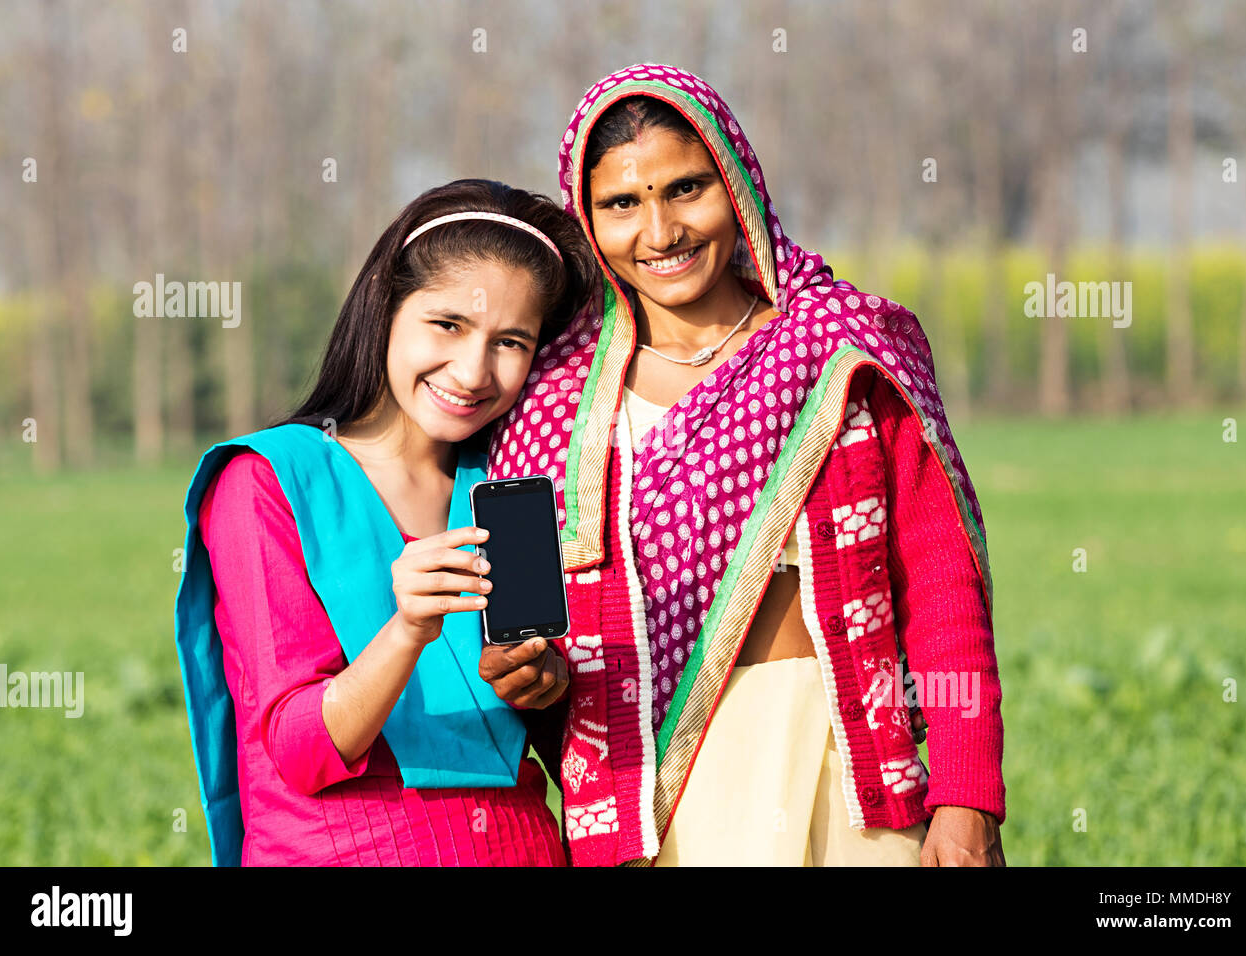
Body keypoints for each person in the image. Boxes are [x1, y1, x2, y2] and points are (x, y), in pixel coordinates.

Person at [480, 65, 1006, 866]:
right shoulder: (552, 404)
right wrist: (529, 676)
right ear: (587, 220)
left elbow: (939, 584)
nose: (660, 232)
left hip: (854, 773)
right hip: (662, 798)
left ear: (737, 184)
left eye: (687, 188)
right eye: (623, 203)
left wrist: (966, 798)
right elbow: (524, 640)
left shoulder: (847, 353)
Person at [173, 179, 597, 865]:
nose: (472, 370)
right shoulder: (267, 481)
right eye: (448, 324)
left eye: (511, 341)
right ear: (386, 307)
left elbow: (569, 736)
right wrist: (405, 631)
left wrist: (542, 687)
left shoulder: (515, 486)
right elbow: (304, 750)